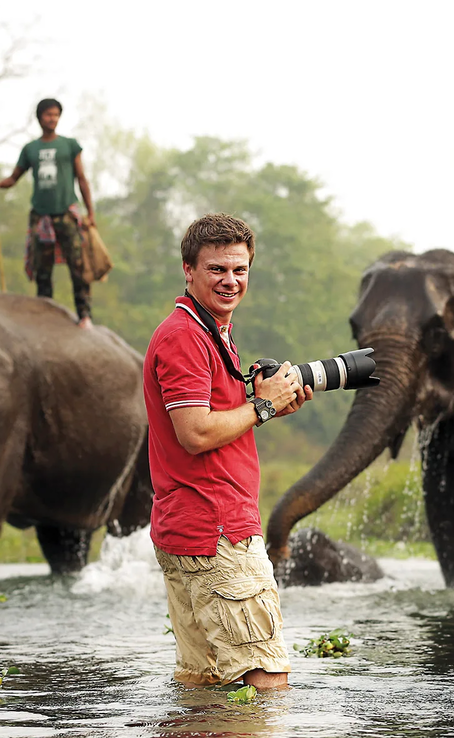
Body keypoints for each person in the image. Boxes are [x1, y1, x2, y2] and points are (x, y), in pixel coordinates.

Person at [143, 213, 311, 690]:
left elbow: (218, 420)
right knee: (267, 684)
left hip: (188, 526)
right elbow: (194, 433)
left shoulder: (212, 332)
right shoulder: (185, 336)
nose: (230, 280)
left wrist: (268, 404)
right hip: (217, 530)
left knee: (204, 688)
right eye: (217, 269)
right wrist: (262, 406)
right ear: (188, 269)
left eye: (239, 269)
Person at [0, 98, 97, 328]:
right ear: (39, 118)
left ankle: (84, 315)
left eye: (56, 115)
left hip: (66, 212)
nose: (52, 119)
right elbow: (14, 178)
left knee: (77, 266)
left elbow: (82, 179)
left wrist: (90, 212)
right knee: (42, 269)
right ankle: (45, 314)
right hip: (41, 216)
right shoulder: (31, 149)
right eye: (48, 115)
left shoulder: (69, 145)